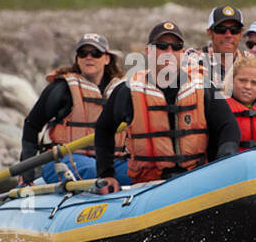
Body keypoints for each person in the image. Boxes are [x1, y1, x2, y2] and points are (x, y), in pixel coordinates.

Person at [94, 21, 239, 191]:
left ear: (183, 54)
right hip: (148, 186)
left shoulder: (202, 87)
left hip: (195, 181)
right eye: (162, 46)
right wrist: (106, 174)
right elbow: (104, 129)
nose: (169, 52)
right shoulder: (128, 90)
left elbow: (228, 127)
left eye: (176, 47)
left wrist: (225, 158)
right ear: (148, 52)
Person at [20, 33, 129, 184]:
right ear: (77, 59)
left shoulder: (122, 91)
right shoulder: (62, 88)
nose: (89, 57)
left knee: (139, 171)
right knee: (92, 170)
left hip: (111, 161)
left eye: (96, 53)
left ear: (107, 59)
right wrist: (26, 175)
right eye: (83, 53)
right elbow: (32, 126)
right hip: (66, 160)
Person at [183, 5, 244, 89]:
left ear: (241, 34)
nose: (228, 35)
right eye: (221, 30)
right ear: (209, 33)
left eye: (234, 30)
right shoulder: (194, 58)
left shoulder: (252, 62)